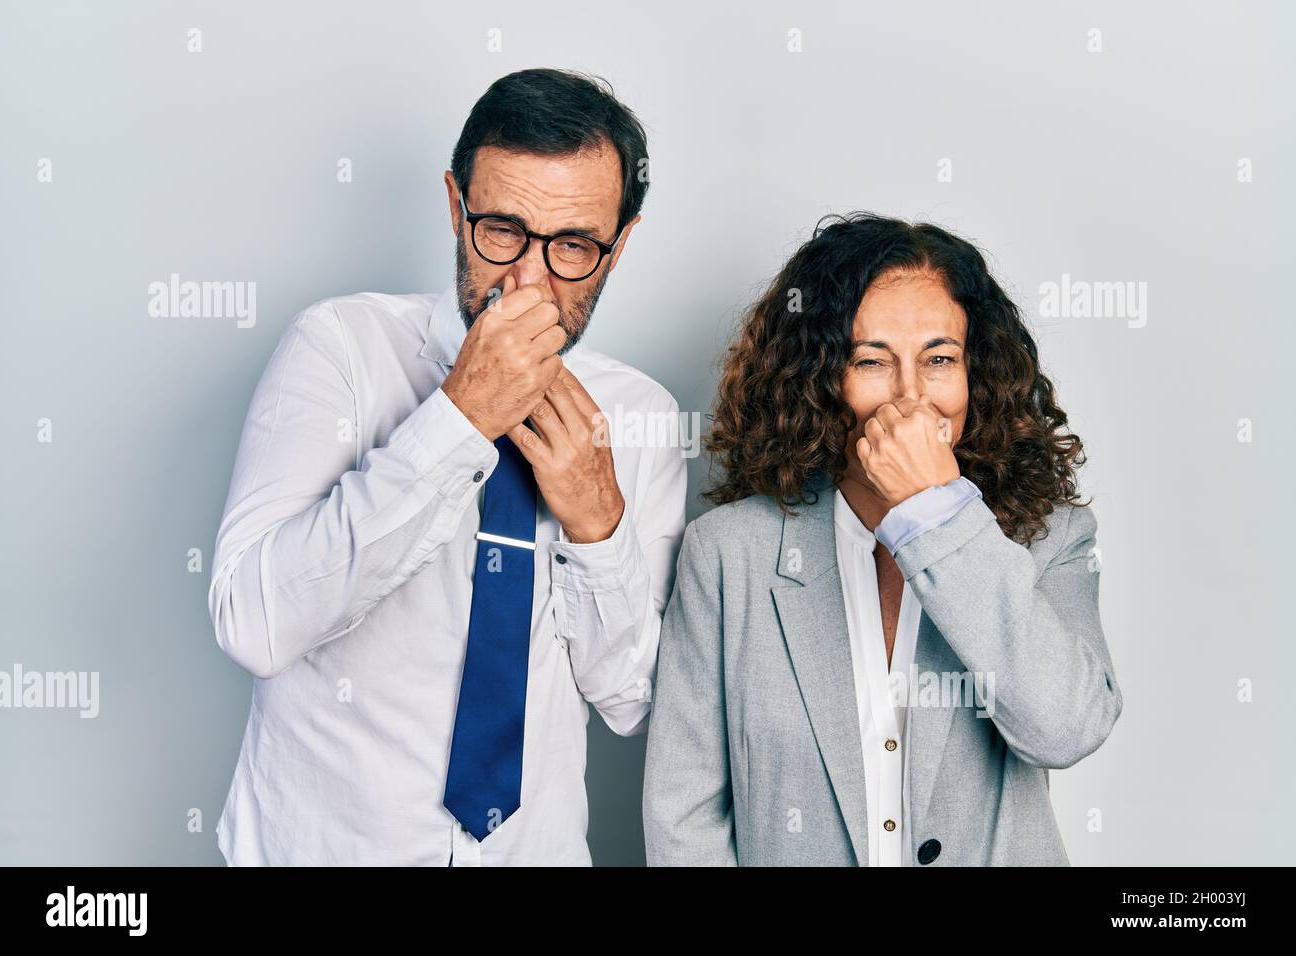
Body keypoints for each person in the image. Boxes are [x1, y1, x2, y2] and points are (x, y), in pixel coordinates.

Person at [209, 68, 686, 865]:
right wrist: (459, 420)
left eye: (573, 246)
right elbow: (254, 624)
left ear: (620, 243)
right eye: (501, 229)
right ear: (454, 204)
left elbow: (633, 702)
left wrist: (600, 527)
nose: (529, 279)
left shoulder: (642, 418)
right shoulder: (340, 350)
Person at [643, 213, 1122, 866]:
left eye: (940, 359)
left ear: (976, 376)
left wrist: (937, 511)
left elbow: (1065, 729)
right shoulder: (727, 554)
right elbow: (683, 818)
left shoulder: (1052, 537)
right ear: (817, 380)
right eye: (872, 361)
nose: (911, 396)